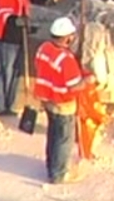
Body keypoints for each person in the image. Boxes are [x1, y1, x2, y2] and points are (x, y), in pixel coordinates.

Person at [34, 15, 88, 184]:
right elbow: (74, 86)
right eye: (71, 35)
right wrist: (89, 80)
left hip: (47, 100)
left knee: (53, 135)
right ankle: (59, 174)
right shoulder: (66, 60)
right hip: (63, 103)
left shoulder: (43, 48)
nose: (73, 38)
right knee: (64, 139)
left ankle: (52, 165)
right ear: (66, 38)